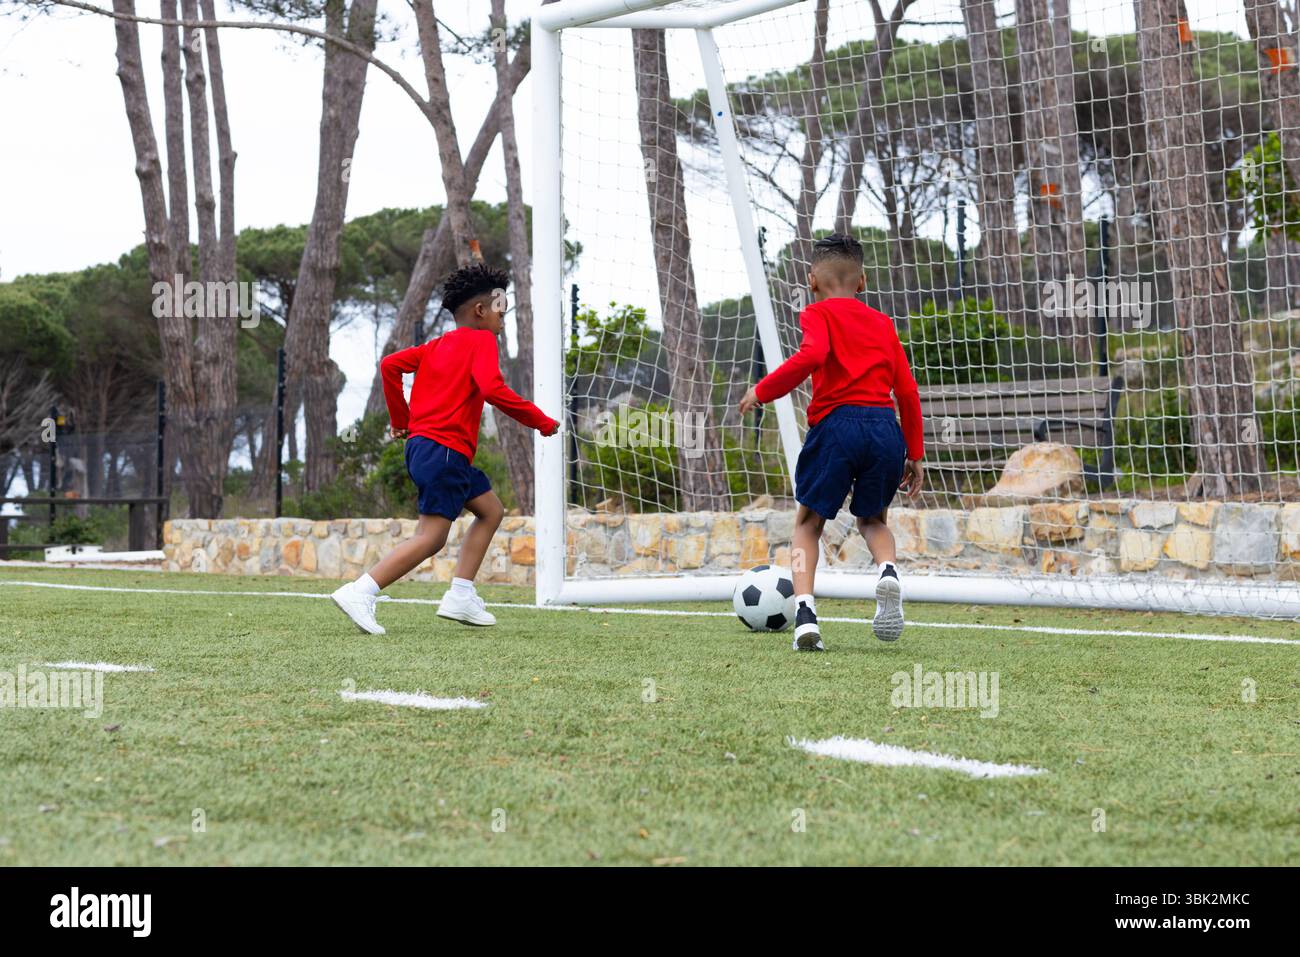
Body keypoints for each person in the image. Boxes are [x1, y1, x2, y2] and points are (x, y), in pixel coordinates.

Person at [331, 263, 560, 634]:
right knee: (431, 537)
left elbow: (390, 365)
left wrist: (401, 419)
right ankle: (362, 591)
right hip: (446, 451)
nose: (505, 315)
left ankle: (461, 594)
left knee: (490, 510)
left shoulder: (435, 346)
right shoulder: (482, 340)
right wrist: (541, 421)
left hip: (426, 448)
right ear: (481, 311)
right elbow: (492, 389)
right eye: (501, 307)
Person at [739, 234, 924, 649]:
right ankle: (888, 572)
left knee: (807, 524)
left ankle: (805, 616)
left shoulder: (816, 313)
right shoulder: (883, 323)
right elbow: (908, 393)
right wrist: (915, 453)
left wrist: (763, 390)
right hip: (883, 429)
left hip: (835, 427)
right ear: (862, 282)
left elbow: (811, 356)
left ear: (811, 281)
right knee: (874, 521)